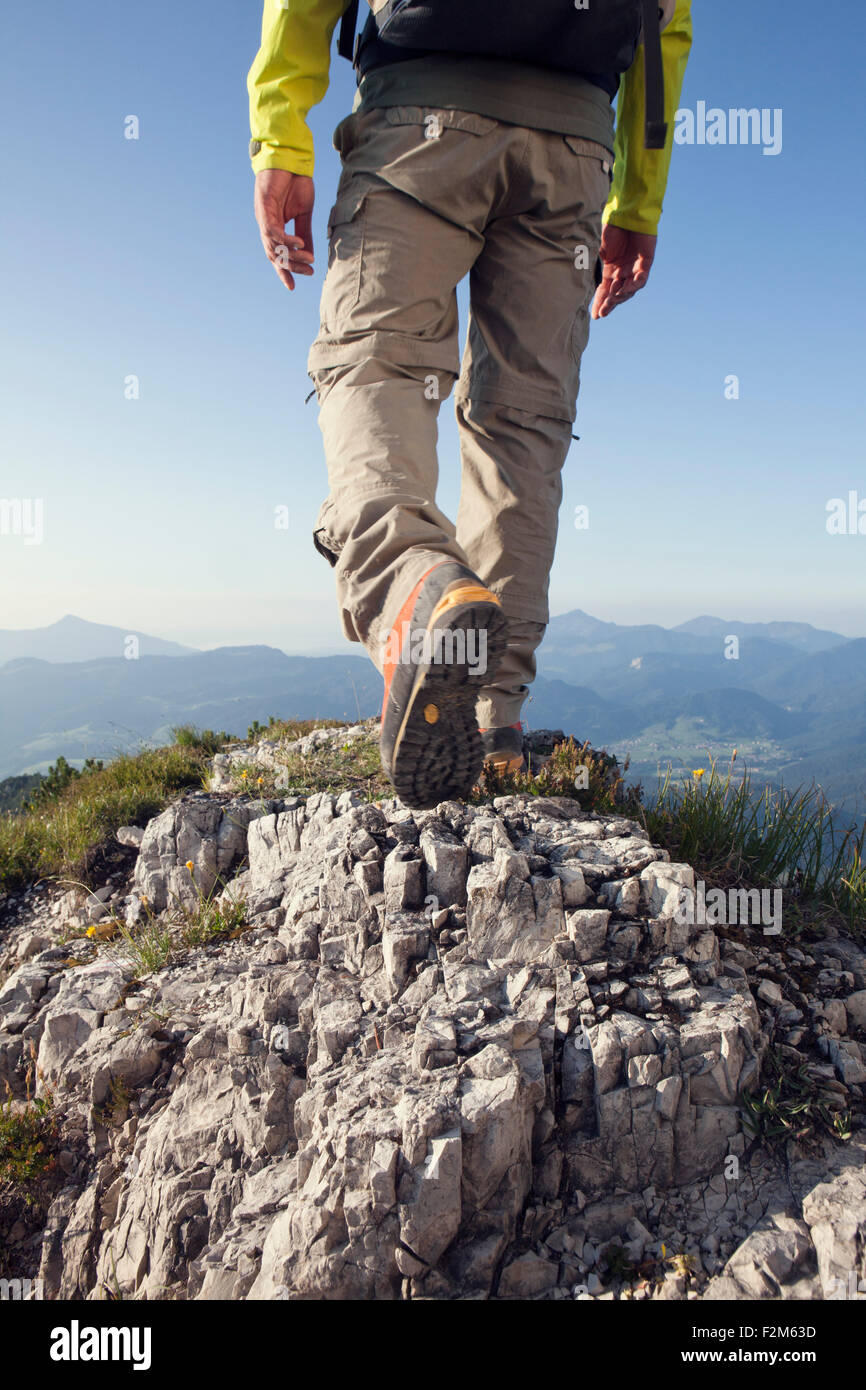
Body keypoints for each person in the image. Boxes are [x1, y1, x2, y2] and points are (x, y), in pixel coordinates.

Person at [248, 0, 693, 808]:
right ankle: (496, 720)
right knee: (525, 419)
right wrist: (639, 199)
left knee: (375, 362)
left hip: (422, 106)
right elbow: (668, 20)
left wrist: (280, 130)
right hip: (576, 137)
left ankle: (412, 586)